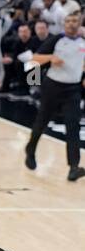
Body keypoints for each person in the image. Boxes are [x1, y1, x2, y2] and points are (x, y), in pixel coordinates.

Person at [24, 10, 85, 182]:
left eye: (75, 21)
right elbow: (33, 60)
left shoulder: (83, 42)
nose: (72, 24)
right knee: (42, 121)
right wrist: (50, 59)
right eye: (69, 21)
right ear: (64, 24)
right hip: (52, 87)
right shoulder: (56, 40)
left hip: (73, 89)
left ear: (80, 23)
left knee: (73, 127)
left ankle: (74, 167)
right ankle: (30, 150)